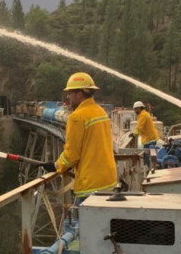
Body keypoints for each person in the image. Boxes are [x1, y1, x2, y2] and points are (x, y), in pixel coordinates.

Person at [40, 71, 117, 202]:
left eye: (70, 93)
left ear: (80, 94)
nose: (68, 97)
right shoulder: (101, 112)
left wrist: (56, 166)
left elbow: (72, 154)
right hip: (109, 181)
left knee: (88, 222)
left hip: (91, 185)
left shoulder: (77, 117)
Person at [132, 101, 159, 167]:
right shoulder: (143, 114)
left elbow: (139, 126)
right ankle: (149, 167)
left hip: (149, 138)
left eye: (136, 109)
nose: (135, 111)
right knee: (148, 154)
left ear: (140, 108)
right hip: (149, 137)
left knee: (147, 155)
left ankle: (149, 168)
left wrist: (134, 134)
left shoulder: (143, 115)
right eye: (134, 109)